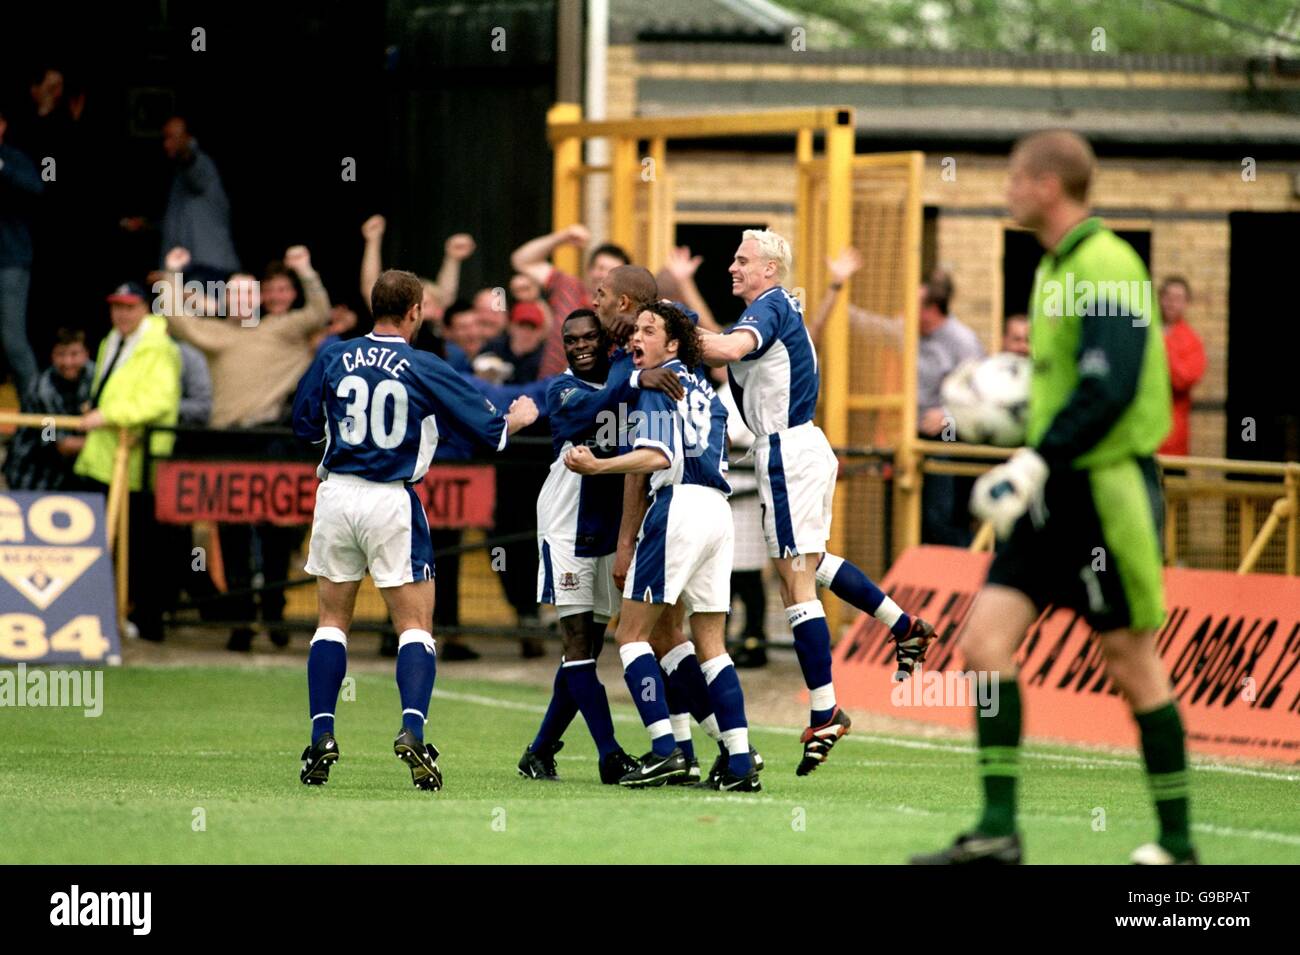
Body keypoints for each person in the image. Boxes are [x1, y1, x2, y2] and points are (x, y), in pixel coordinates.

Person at [912, 131, 1191, 866]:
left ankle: (1180, 843)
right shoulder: (1051, 268)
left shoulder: (1109, 263)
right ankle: (999, 829)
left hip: (1103, 492)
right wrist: (1005, 398)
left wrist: (1034, 456)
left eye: (1013, 178)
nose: (1006, 190)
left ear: (1046, 185)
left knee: (1131, 663)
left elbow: (1113, 385)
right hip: (1046, 492)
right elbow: (1067, 381)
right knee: (984, 644)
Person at [699, 229, 936, 777]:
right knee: (807, 563)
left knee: (794, 580)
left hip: (787, 450)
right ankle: (905, 629)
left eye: (742, 260)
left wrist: (668, 323)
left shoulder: (771, 306)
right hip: (796, 448)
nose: (732, 267)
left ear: (770, 270)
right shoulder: (772, 307)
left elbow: (728, 350)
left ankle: (826, 711)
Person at [292, 269, 538, 790]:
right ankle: (412, 732)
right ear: (415, 311)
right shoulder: (422, 363)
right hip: (390, 500)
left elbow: (304, 424)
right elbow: (486, 428)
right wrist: (519, 417)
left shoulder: (334, 355)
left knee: (332, 622)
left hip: (335, 494)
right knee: (414, 626)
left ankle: (321, 736)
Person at [566, 302, 759, 791]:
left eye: (649, 331)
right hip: (719, 512)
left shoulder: (659, 384)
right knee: (709, 645)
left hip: (677, 509)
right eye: (636, 330)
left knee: (630, 637)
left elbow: (656, 455)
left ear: (673, 345)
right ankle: (738, 760)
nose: (636, 338)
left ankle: (664, 750)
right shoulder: (706, 392)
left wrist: (598, 467)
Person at [161, 244, 329, 650]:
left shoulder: (284, 330)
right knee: (232, 533)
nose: (241, 301)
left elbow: (319, 313)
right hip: (226, 443)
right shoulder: (213, 331)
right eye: (234, 294)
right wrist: (171, 272)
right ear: (226, 300)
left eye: (248, 294)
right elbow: (174, 315)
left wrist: (305, 270)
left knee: (277, 530)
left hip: (269, 440)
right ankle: (240, 618)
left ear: (258, 300)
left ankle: (275, 611)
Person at [517, 309, 641, 783]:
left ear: (604, 340)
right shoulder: (561, 389)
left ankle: (540, 750)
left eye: (591, 337)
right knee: (576, 644)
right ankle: (609, 755)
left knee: (585, 648)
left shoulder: (625, 373)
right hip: (565, 525)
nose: (581, 345)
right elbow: (600, 405)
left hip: (608, 527)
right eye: (572, 340)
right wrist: (637, 370)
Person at [74, 281, 182, 642]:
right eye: (116, 306)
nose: (121, 313)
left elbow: (158, 401)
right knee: (107, 544)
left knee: (141, 548)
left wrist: (106, 415)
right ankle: (106, 617)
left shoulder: (159, 346)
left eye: (129, 307)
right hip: (106, 457)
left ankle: (144, 619)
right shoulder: (112, 339)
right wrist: (98, 409)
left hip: (139, 464)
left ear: (144, 309)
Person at [511, 223, 630, 377]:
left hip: (591, 395)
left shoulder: (620, 316)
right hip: (548, 388)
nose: (602, 275)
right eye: (600, 268)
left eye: (611, 271)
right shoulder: (568, 286)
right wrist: (563, 237)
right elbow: (521, 260)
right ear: (589, 270)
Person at [917, 277, 985, 546]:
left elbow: (980, 395)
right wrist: (836, 286)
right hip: (911, 437)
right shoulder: (910, 332)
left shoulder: (963, 341)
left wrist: (947, 415)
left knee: (939, 517)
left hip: (945, 438)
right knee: (912, 517)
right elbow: (870, 326)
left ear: (931, 309)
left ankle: (960, 576)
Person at [3, 328, 94, 490]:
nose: (68, 362)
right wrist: (104, 443)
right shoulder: (41, 390)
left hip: (76, 473)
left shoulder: (94, 376)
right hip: (33, 475)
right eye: (61, 354)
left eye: (74, 354)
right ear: (52, 356)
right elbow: (57, 443)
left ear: (86, 354)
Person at [158, 117, 240, 283]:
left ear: (188, 138)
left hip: (209, 268)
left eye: (172, 137)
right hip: (185, 268)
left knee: (209, 309)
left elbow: (192, 163)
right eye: (165, 138)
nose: (167, 144)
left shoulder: (202, 164)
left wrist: (186, 147)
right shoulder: (178, 178)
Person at [0, 107, 44, 397]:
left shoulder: (14, 158)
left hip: (10, 261)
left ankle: (38, 417)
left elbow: (36, 188)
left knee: (13, 340)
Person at [1155, 277, 1205, 457]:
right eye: (1167, 296)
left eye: (1177, 298)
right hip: (1139, 436)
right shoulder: (1146, 330)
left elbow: (1183, 381)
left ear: (1186, 303)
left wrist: (1163, 344)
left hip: (1172, 440)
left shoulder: (1191, 341)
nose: (1171, 303)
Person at [480, 301, 547, 384]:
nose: (526, 333)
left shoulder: (545, 360)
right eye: (522, 326)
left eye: (532, 328)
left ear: (540, 332)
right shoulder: (494, 349)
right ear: (511, 327)